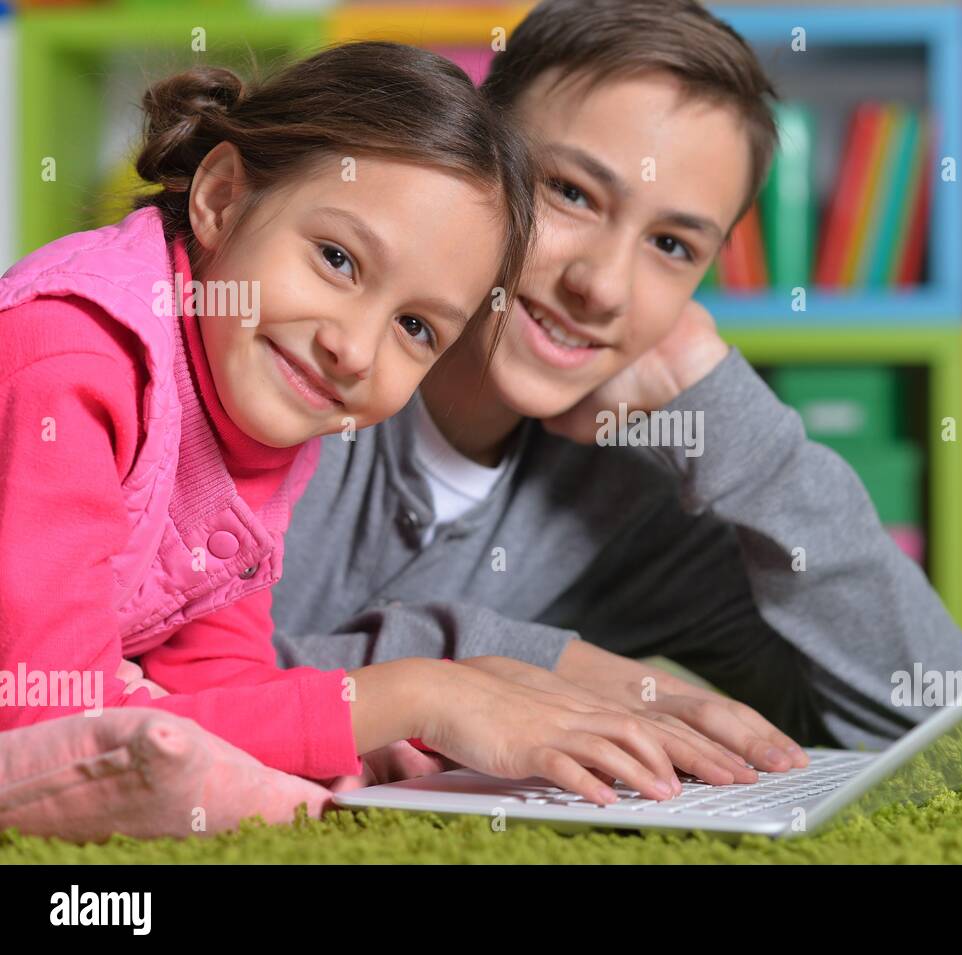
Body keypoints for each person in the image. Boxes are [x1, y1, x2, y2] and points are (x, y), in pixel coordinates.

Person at [0, 42, 723, 807]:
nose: (352, 349)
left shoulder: (251, 405)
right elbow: (49, 726)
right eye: (338, 259)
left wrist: (356, 732)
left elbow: (214, 674)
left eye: (415, 327)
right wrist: (412, 696)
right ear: (220, 198)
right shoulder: (73, 359)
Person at [273, 0, 962, 773]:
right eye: (572, 193)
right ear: (474, 150)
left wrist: (734, 422)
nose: (603, 286)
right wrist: (521, 666)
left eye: (672, 246)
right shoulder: (301, 354)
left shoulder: (625, 503)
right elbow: (157, 679)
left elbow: (942, 730)